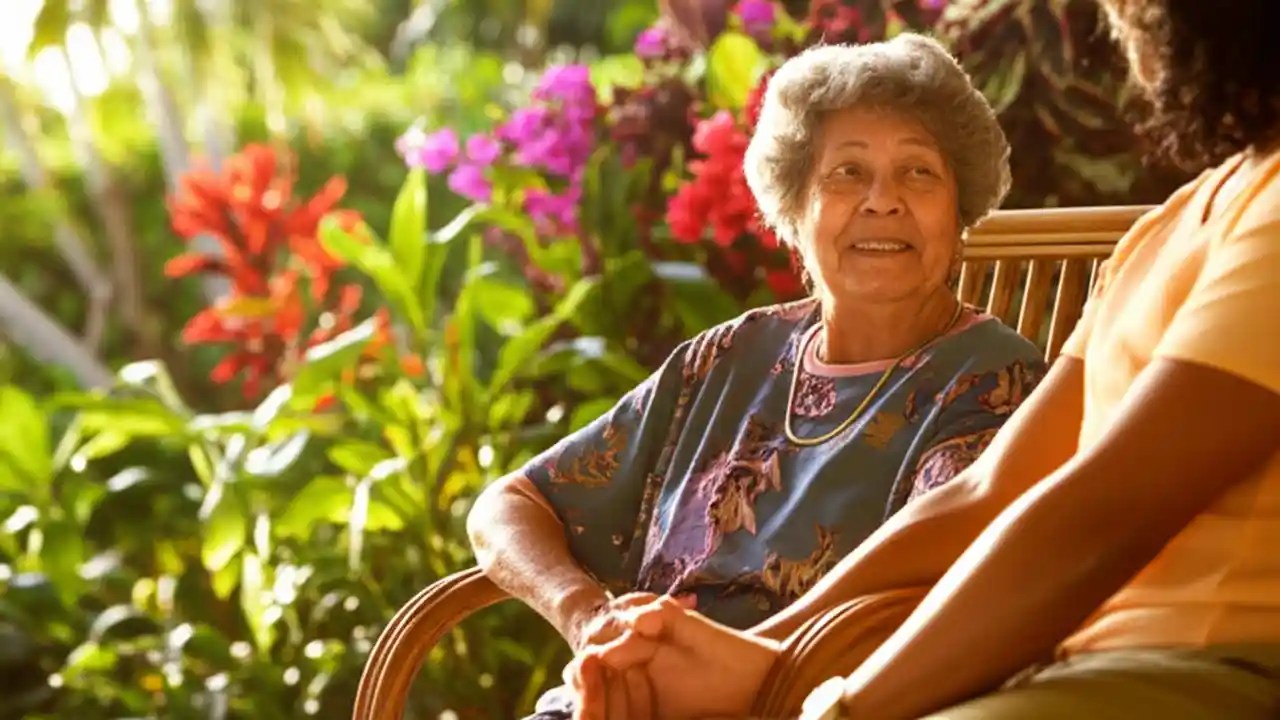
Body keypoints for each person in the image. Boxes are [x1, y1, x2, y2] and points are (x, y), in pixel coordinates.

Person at [574, 3, 1280, 719]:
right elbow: (990, 494)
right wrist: (769, 655)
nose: (1121, 15)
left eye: (917, 174)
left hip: (1206, 665)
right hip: (1078, 671)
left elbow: (1106, 512)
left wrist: (834, 705)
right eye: (847, 173)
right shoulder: (1168, 229)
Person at [465, 33, 1046, 719]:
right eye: (846, 174)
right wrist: (587, 616)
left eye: (919, 173)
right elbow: (509, 505)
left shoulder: (992, 381)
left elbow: (931, 592)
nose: (883, 201)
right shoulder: (729, 358)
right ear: (793, 213)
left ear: (961, 212)